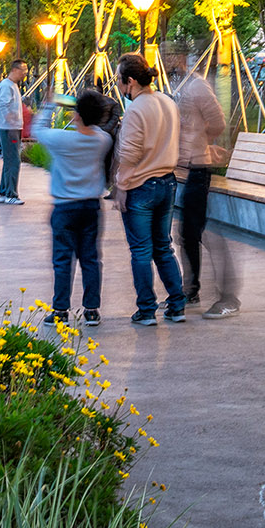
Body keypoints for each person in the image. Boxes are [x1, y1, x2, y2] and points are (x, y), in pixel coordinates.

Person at [114, 53, 186, 325]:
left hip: (141, 186)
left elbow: (129, 153)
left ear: (130, 81)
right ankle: (176, 305)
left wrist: (121, 186)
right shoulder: (168, 102)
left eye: (119, 81)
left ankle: (146, 310)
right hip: (168, 182)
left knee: (141, 251)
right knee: (163, 247)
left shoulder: (136, 109)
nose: (119, 86)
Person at [31, 84, 112, 327]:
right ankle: (91, 310)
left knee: (62, 259)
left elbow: (37, 129)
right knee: (90, 258)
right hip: (91, 207)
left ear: (76, 113)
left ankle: (60, 310)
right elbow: (96, 127)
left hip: (64, 207)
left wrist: (51, 104)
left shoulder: (61, 139)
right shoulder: (103, 140)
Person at [167, 50, 238, 318]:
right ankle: (191, 290)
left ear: (182, 59)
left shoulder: (197, 87)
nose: (165, 61)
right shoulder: (179, 86)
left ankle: (229, 297)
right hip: (186, 168)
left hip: (199, 167)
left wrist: (200, 141)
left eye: (170, 55)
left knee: (208, 234)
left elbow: (218, 122)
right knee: (188, 233)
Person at [0, 59, 28, 205]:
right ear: (15, 70)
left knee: (9, 160)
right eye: (23, 70)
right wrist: (10, 117)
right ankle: (11, 194)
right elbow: (3, 105)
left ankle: (3, 192)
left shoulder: (12, 85)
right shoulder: (6, 85)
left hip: (13, 127)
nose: (25, 74)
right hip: (9, 129)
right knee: (14, 160)